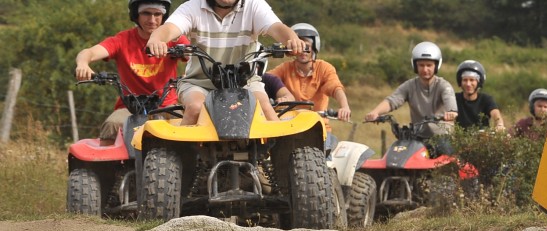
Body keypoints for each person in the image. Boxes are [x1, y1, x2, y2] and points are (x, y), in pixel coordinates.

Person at [144, 0, 309, 126]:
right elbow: (169, 28)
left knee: (265, 108)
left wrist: (292, 39)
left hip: (246, 82)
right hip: (200, 83)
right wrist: (156, 39)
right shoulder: (193, 7)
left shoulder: (254, 5)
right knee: (195, 108)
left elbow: (277, 27)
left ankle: (280, 165)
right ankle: (180, 167)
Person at [74, 0, 189, 145]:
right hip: (129, 108)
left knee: (187, 129)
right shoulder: (123, 40)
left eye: (157, 14)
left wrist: (189, 73)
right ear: (136, 15)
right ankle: (109, 167)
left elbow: (194, 56)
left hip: (167, 106)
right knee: (112, 125)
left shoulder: (173, 38)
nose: (152, 20)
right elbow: (88, 52)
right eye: (146, 13)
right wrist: (83, 64)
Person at [363, 41, 457, 145]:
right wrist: (375, 112)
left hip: (441, 137)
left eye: (429, 65)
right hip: (417, 136)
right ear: (415, 66)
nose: (425, 69)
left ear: (436, 65)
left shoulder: (444, 85)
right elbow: (392, 101)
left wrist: (451, 112)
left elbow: (450, 101)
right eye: (421, 65)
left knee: (446, 153)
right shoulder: (409, 85)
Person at [267, 23, 352, 122]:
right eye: (299, 47)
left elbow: (335, 88)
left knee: (329, 138)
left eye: (306, 47)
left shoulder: (324, 68)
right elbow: (267, 80)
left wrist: (344, 107)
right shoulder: (285, 68)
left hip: (318, 127)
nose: (303, 51)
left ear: (315, 47)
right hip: (290, 126)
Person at [454, 60, 506, 132]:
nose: (468, 84)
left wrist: (499, 125)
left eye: (472, 80)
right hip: (457, 140)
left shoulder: (486, 99)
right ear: (460, 82)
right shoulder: (454, 98)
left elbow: (496, 115)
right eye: (465, 80)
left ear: (479, 82)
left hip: (482, 139)